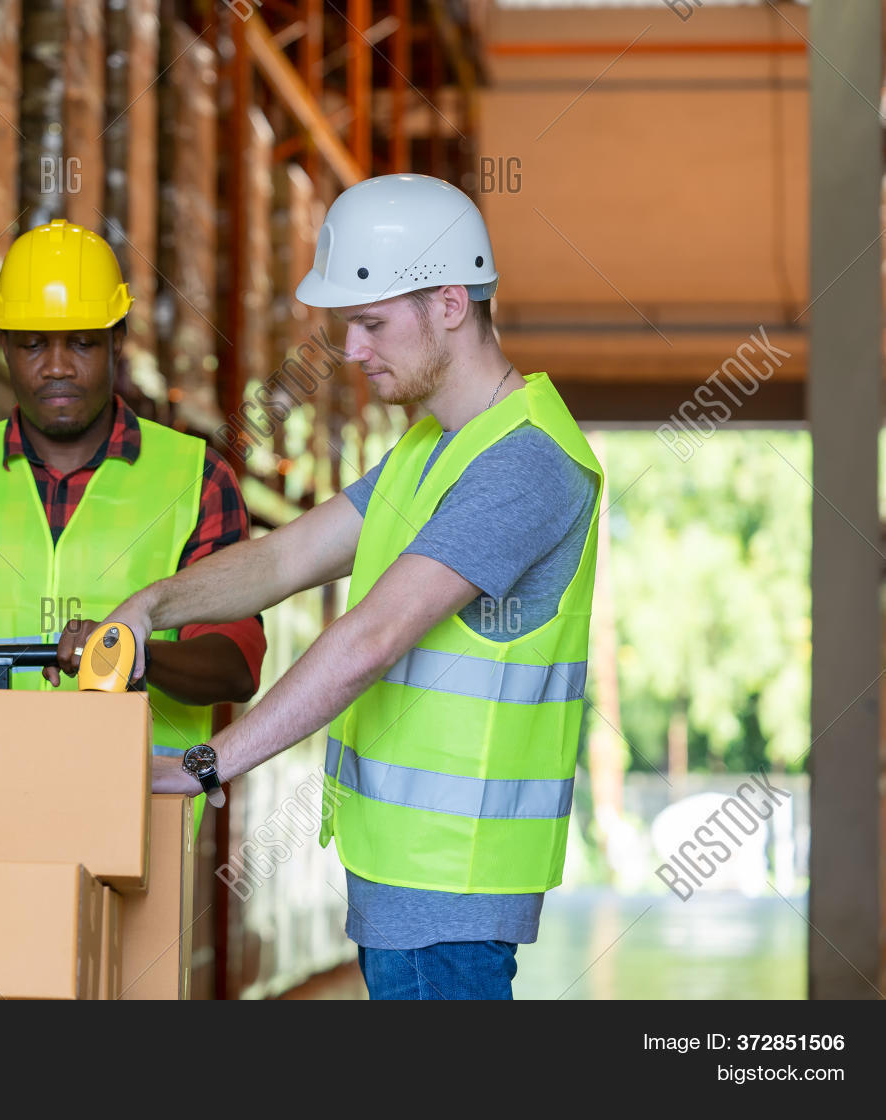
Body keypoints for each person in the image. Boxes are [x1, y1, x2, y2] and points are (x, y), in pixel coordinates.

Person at [98, 174, 605, 1000]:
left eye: (371, 323)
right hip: (402, 882)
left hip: (455, 892)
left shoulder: (525, 462)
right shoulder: (431, 449)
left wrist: (205, 763)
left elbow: (371, 638)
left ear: (449, 303)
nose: (353, 350)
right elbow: (281, 561)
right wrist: (151, 605)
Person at [0, 218, 264, 787]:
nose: (57, 366)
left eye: (82, 342)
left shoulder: (196, 479)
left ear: (117, 340)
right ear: (3, 344)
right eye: (33, 344)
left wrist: (126, 652)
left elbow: (235, 663)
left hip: (133, 815)